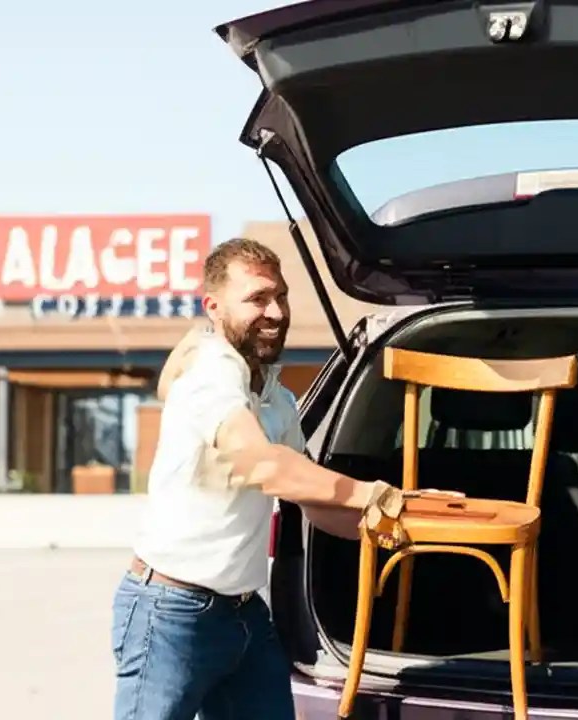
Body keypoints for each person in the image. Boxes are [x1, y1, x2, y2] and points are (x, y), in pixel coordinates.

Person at [110, 238, 415, 720]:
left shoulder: (278, 399)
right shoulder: (211, 374)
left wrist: (409, 522)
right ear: (212, 306)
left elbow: (312, 502)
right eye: (257, 298)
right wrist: (376, 495)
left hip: (246, 614)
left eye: (282, 296)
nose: (275, 312)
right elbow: (264, 466)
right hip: (170, 613)